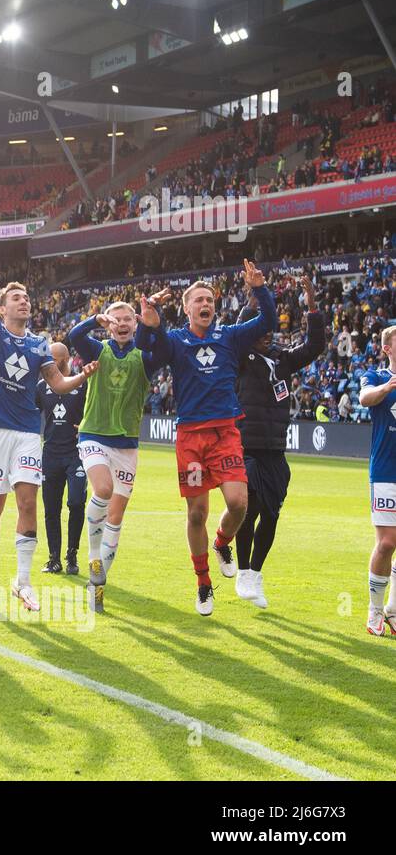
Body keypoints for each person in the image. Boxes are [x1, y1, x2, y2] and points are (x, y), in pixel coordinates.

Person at [141, 260, 275, 616]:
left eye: (210, 300)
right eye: (198, 300)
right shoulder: (174, 340)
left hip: (225, 433)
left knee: (239, 504)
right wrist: (150, 325)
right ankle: (203, 583)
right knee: (197, 512)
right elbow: (148, 357)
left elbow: (267, 322)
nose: (205, 304)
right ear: (186, 308)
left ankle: (222, 543)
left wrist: (259, 288)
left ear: (214, 307)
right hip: (190, 439)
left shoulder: (229, 335)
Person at [0, 256, 94, 611]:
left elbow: (57, 382)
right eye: (16, 298)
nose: (24, 301)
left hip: (27, 432)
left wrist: (83, 376)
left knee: (28, 503)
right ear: (2, 307)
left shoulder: (40, 344)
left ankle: (22, 583)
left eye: (26, 297)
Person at [66, 298, 167, 612]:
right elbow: (74, 337)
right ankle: (94, 556)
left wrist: (154, 320)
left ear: (136, 324)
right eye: (116, 319)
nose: (121, 324)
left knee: (116, 518)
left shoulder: (144, 358)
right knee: (104, 490)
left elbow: (163, 349)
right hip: (94, 434)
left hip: (127, 444)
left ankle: (98, 584)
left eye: (127, 319)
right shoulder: (99, 350)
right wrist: (96, 319)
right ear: (109, 323)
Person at [233, 276, 326, 608]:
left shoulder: (283, 359)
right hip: (246, 447)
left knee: (271, 513)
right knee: (252, 506)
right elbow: (241, 327)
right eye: (262, 329)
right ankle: (242, 571)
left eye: (271, 330)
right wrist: (254, 296)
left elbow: (316, 345)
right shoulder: (241, 358)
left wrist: (311, 302)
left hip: (275, 450)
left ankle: (256, 574)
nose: (268, 333)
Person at [356, 325, 396, 636]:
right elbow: (365, 397)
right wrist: (388, 388)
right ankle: (374, 612)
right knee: (386, 543)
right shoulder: (377, 376)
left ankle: (392, 612)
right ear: (387, 349)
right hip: (384, 472)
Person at [35, 343, 86, 576]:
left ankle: (72, 554)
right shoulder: (41, 387)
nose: (52, 364)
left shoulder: (81, 385)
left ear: (67, 358)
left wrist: (85, 425)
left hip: (76, 454)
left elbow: (93, 411)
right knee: (51, 509)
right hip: (50, 454)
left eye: (56, 359)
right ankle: (54, 558)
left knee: (76, 503)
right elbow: (30, 413)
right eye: (49, 360)